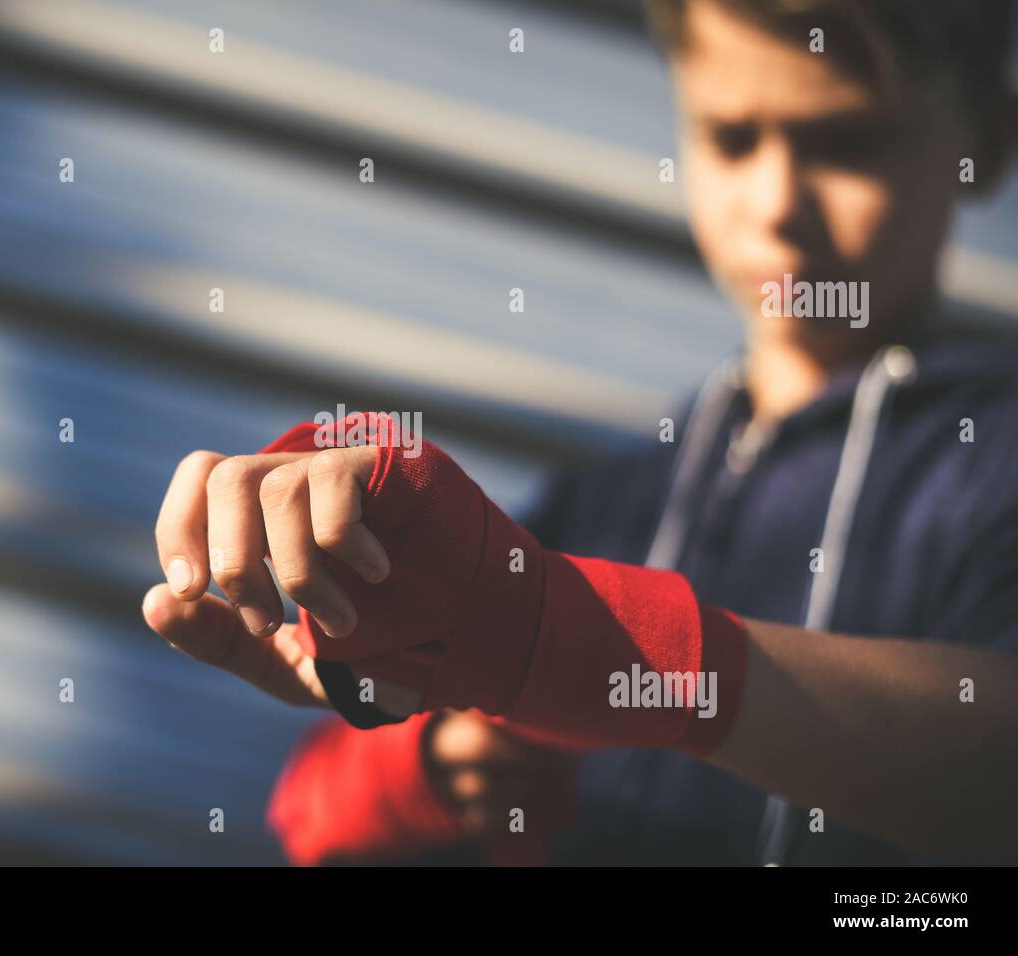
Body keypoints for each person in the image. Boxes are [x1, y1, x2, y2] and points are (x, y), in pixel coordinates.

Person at [143, 0, 1018, 865]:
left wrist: (573, 640)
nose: (777, 203)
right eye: (731, 139)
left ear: (988, 140)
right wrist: (431, 763)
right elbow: (310, 816)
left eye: (845, 141)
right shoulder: (615, 498)